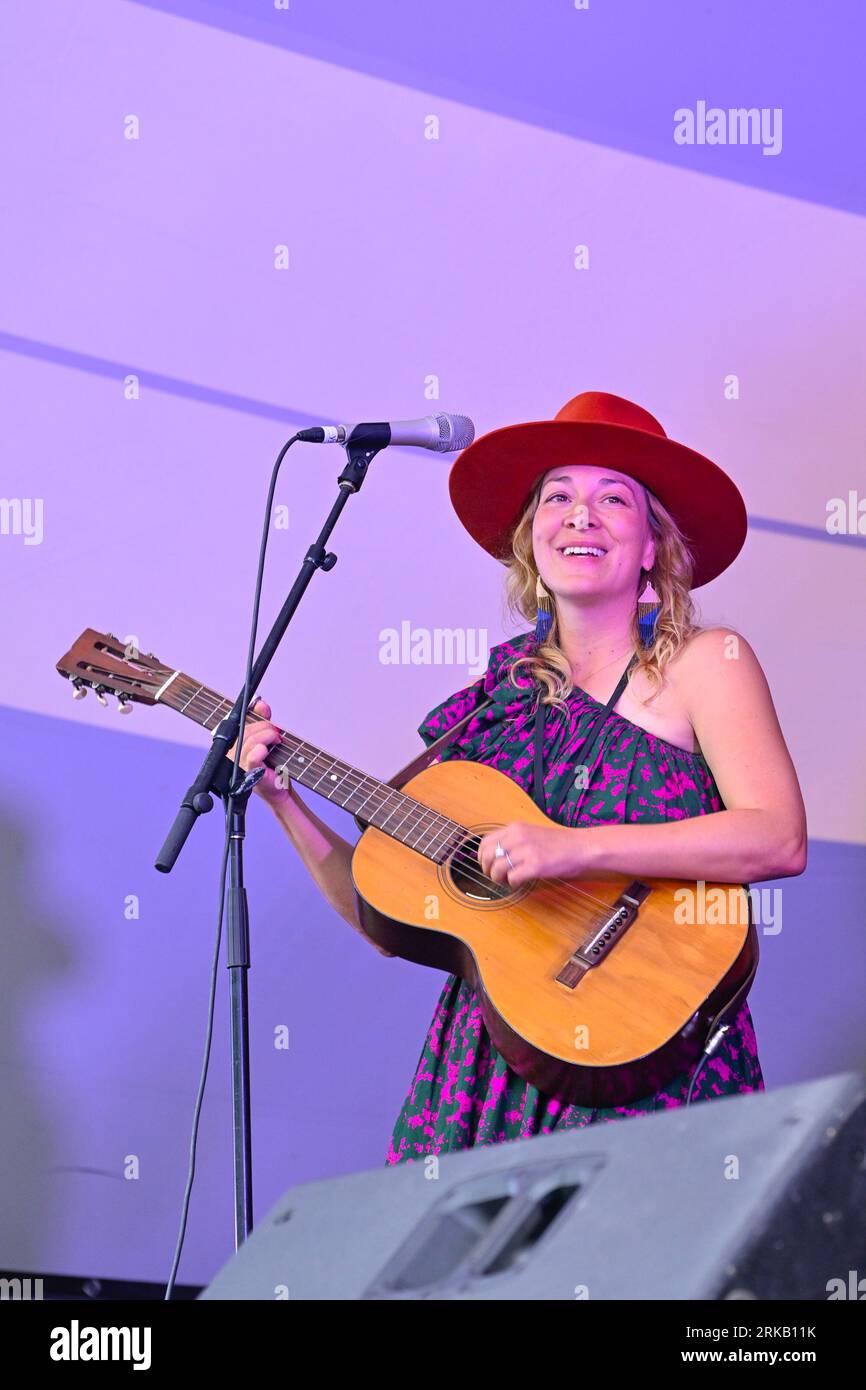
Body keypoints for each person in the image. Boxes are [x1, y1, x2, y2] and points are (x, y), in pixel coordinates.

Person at [235, 390, 808, 1165]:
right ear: (529, 540)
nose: (581, 516)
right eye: (558, 497)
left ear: (651, 547)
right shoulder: (492, 708)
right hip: (487, 1072)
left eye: (614, 499)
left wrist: (571, 851)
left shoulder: (706, 663)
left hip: (645, 1050)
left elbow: (776, 838)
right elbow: (385, 920)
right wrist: (281, 797)